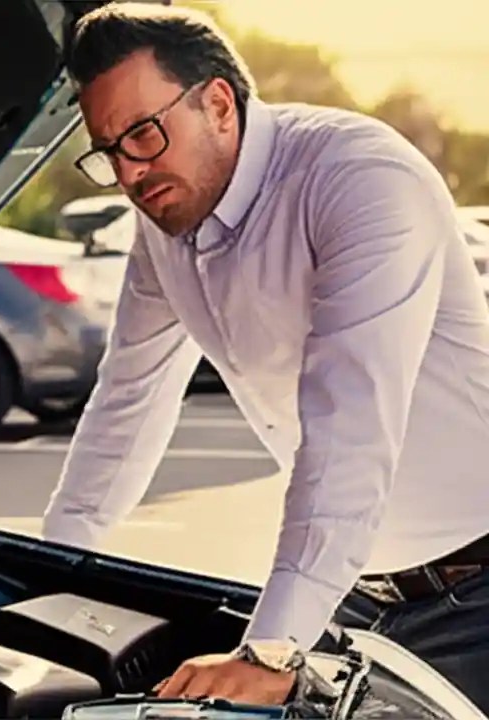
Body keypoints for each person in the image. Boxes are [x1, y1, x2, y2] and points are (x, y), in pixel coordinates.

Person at [41, 3, 489, 709]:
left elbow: (349, 428)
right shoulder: (166, 217)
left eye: (143, 135)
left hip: (479, 593)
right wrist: (48, 573)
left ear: (218, 102)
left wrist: (271, 651)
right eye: (108, 151)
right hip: (355, 595)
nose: (128, 174)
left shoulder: (358, 178)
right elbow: (126, 406)